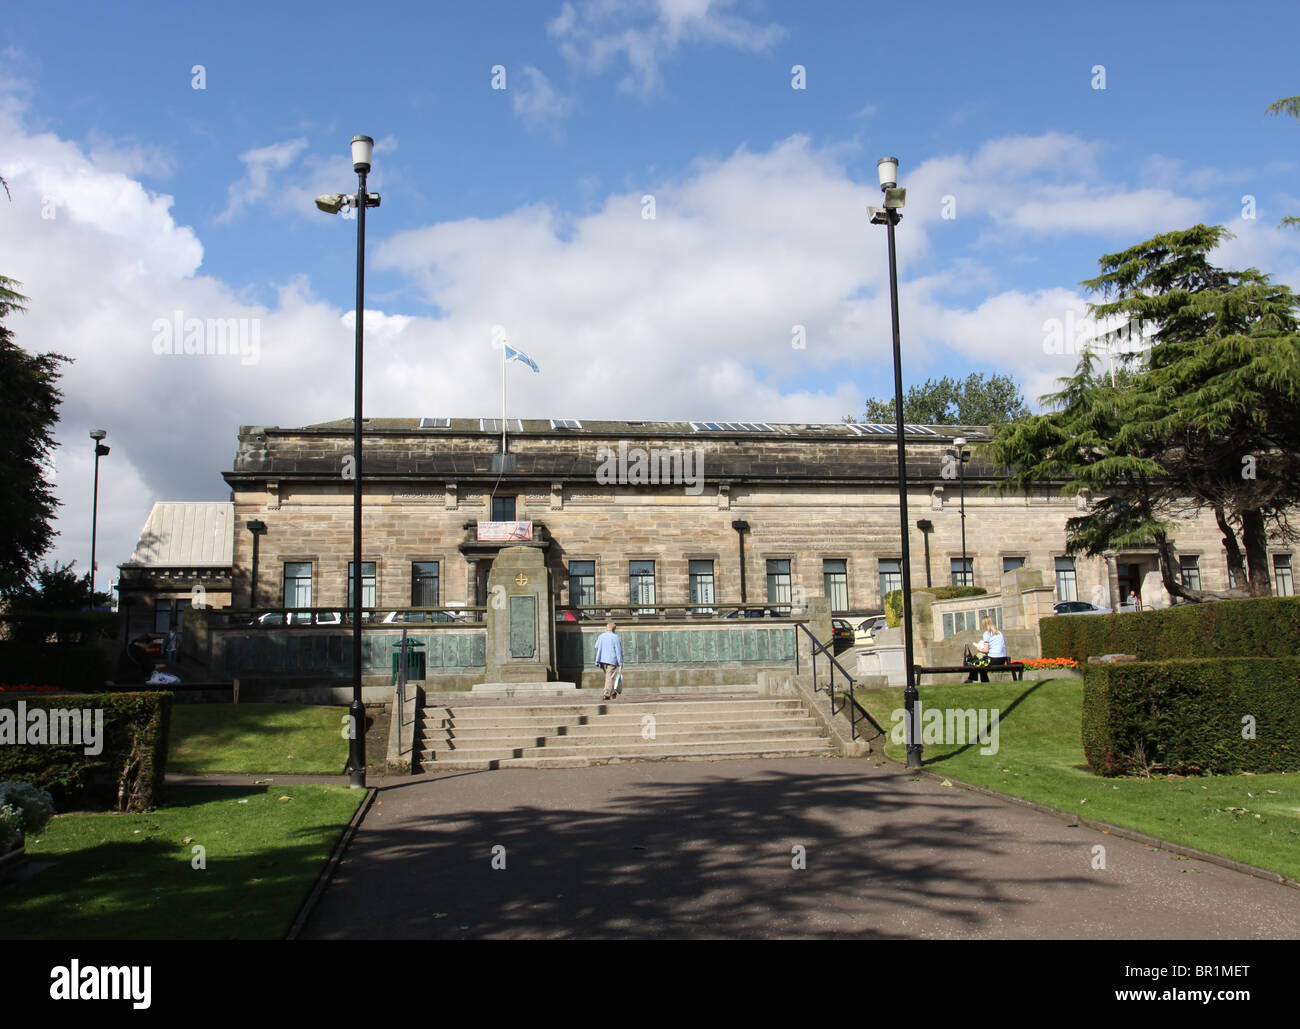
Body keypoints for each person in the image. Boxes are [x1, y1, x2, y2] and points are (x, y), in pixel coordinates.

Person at [593, 621, 624, 700]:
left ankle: (613, 692)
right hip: (612, 660)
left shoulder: (601, 636)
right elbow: (618, 650)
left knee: (609, 677)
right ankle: (606, 694)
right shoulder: (615, 637)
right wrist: (620, 662)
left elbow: (596, 646)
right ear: (614, 629)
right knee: (610, 677)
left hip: (602, 659)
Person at [974, 617, 1008, 683]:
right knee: (980, 661)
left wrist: (979, 649)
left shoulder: (987, 633)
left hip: (994, 659)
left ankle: (981, 681)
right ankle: (972, 678)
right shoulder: (999, 633)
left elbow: (986, 650)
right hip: (1002, 659)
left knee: (976, 660)